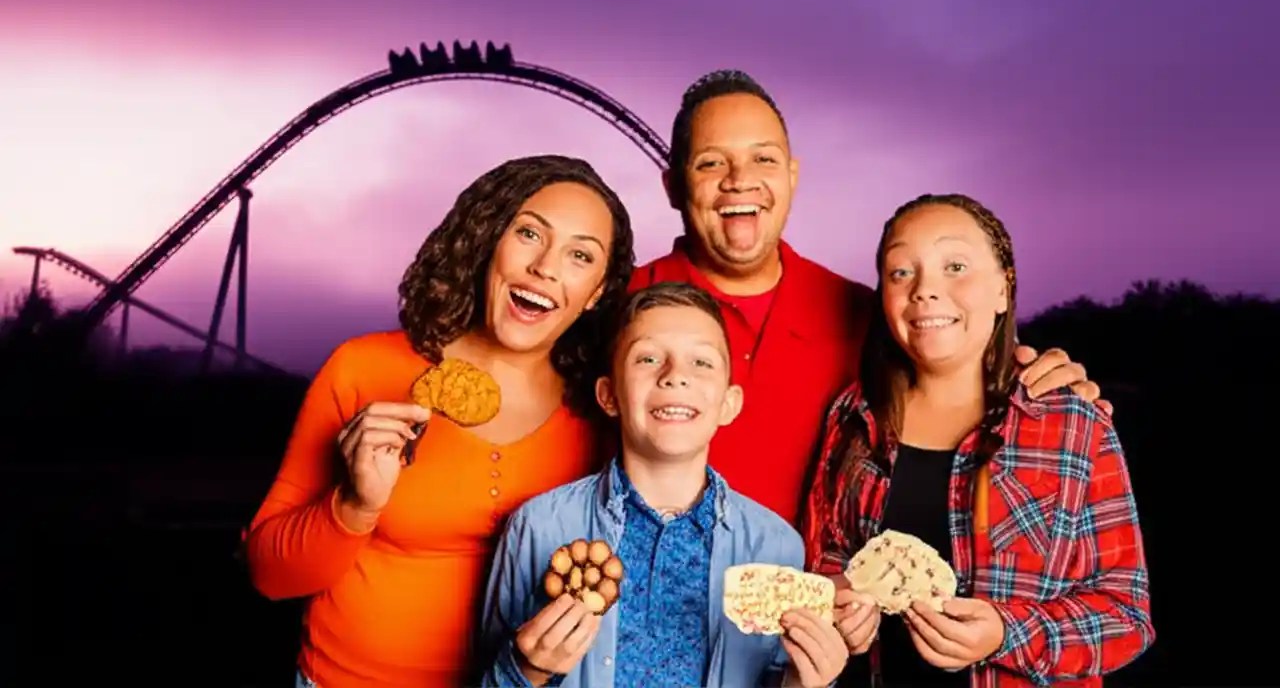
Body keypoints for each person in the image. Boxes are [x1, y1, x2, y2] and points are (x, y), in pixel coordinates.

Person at [629, 70, 1108, 526]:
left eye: (764, 159)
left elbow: (964, 375)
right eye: (711, 162)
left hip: (822, 609)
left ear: (792, 176)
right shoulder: (620, 309)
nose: (740, 179)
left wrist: (1044, 385)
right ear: (673, 186)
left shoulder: (867, 314)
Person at [241, 154, 636, 688]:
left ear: (596, 293)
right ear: (488, 240)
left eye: (580, 255)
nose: (545, 266)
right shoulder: (364, 369)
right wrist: (355, 507)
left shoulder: (600, 417)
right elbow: (268, 575)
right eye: (527, 233)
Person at [803, 194, 1154, 687]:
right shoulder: (852, 418)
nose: (925, 290)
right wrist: (839, 601)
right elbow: (832, 552)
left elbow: (1126, 615)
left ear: (1003, 290)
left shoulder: (1074, 424)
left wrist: (1007, 633)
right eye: (901, 272)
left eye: (956, 266)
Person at [478, 281, 849, 688]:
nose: (675, 376)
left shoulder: (775, 546)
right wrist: (527, 669)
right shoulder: (539, 527)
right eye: (648, 358)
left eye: (702, 363)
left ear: (729, 403)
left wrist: (807, 681)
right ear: (608, 395)